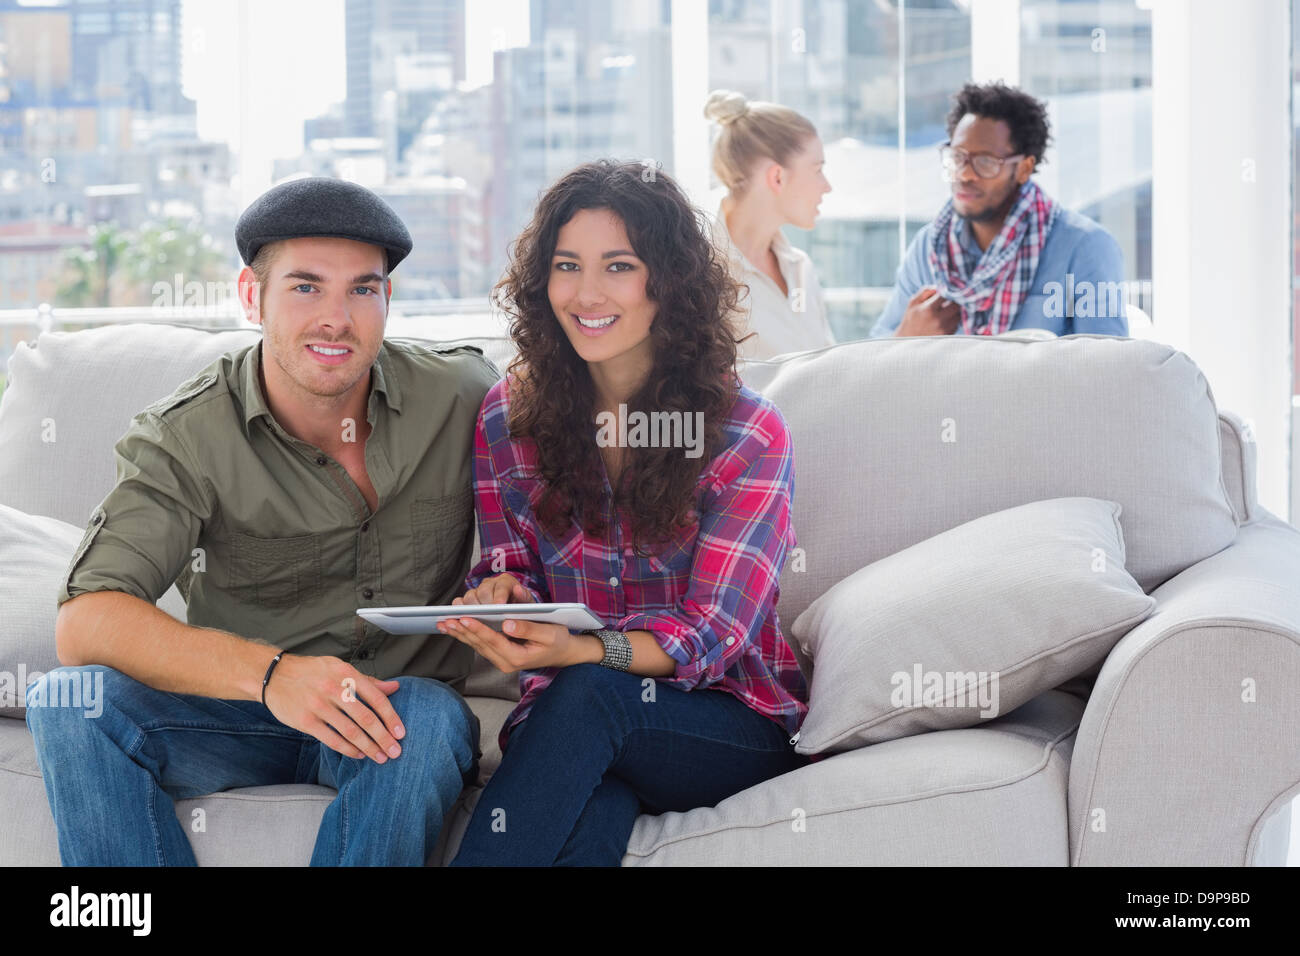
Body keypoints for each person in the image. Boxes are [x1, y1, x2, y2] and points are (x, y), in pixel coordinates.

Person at [25, 177, 499, 866]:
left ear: (387, 300)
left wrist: (508, 587)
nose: (336, 318)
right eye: (306, 287)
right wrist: (274, 675)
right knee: (70, 701)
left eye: (362, 289)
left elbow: (550, 526)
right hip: (238, 712)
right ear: (253, 297)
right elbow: (87, 618)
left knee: (427, 718)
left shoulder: (462, 397)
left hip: (395, 714)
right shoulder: (187, 435)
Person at [442, 159, 810, 866]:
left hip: (728, 722)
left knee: (593, 697)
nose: (586, 293)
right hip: (574, 727)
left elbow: (712, 634)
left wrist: (583, 653)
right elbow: (509, 564)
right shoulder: (506, 418)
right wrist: (502, 599)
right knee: (591, 811)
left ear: (665, 281)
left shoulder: (743, 433)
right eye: (566, 266)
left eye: (618, 266)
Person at [871, 81, 1128, 338]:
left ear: (1024, 168)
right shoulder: (929, 247)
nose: (965, 173)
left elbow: (1106, 368)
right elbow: (873, 355)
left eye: (985, 161)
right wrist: (907, 336)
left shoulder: (1085, 247)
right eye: (957, 157)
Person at [704, 89, 836, 360]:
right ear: (777, 177)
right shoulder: (699, 271)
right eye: (817, 169)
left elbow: (828, 373)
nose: (827, 187)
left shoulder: (800, 268)